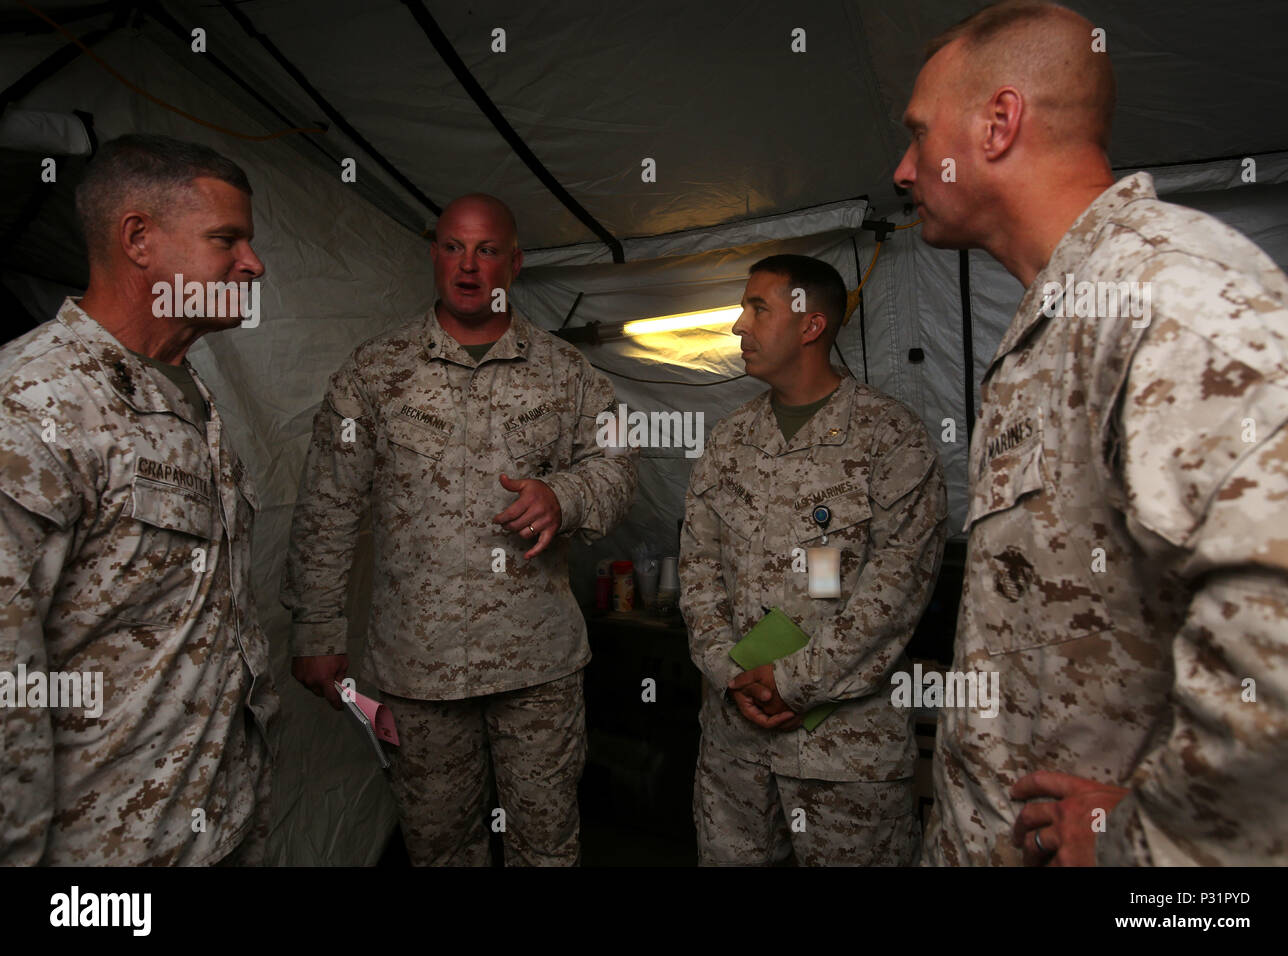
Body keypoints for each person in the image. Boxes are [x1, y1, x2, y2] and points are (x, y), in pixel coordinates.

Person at [894, 0, 1288, 865]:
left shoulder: (1167, 295)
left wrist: (1152, 842)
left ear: (998, 123)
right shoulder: (1062, 317)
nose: (902, 168)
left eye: (920, 133)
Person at [282, 193, 636, 866]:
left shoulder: (568, 373)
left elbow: (618, 466)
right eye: (452, 247)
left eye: (487, 249)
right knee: (441, 848)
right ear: (434, 255)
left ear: (516, 262)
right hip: (421, 668)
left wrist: (565, 495)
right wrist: (316, 630)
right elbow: (328, 503)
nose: (468, 266)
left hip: (537, 665)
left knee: (547, 848)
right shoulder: (375, 373)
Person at [0, 134, 278, 865]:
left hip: (218, 828)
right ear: (138, 239)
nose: (252, 263)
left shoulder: (182, 393)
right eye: (228, 240)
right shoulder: (33, 405)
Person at [679, 254, 947, 865]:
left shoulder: (891, 439)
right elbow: (697, 568)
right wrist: (728, 671)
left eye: (758, 308)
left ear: (810, 324)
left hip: (845, 755)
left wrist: (793, 681)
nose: (738, 327)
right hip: (735, 747)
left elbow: (897, 592)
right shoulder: (728, 441)